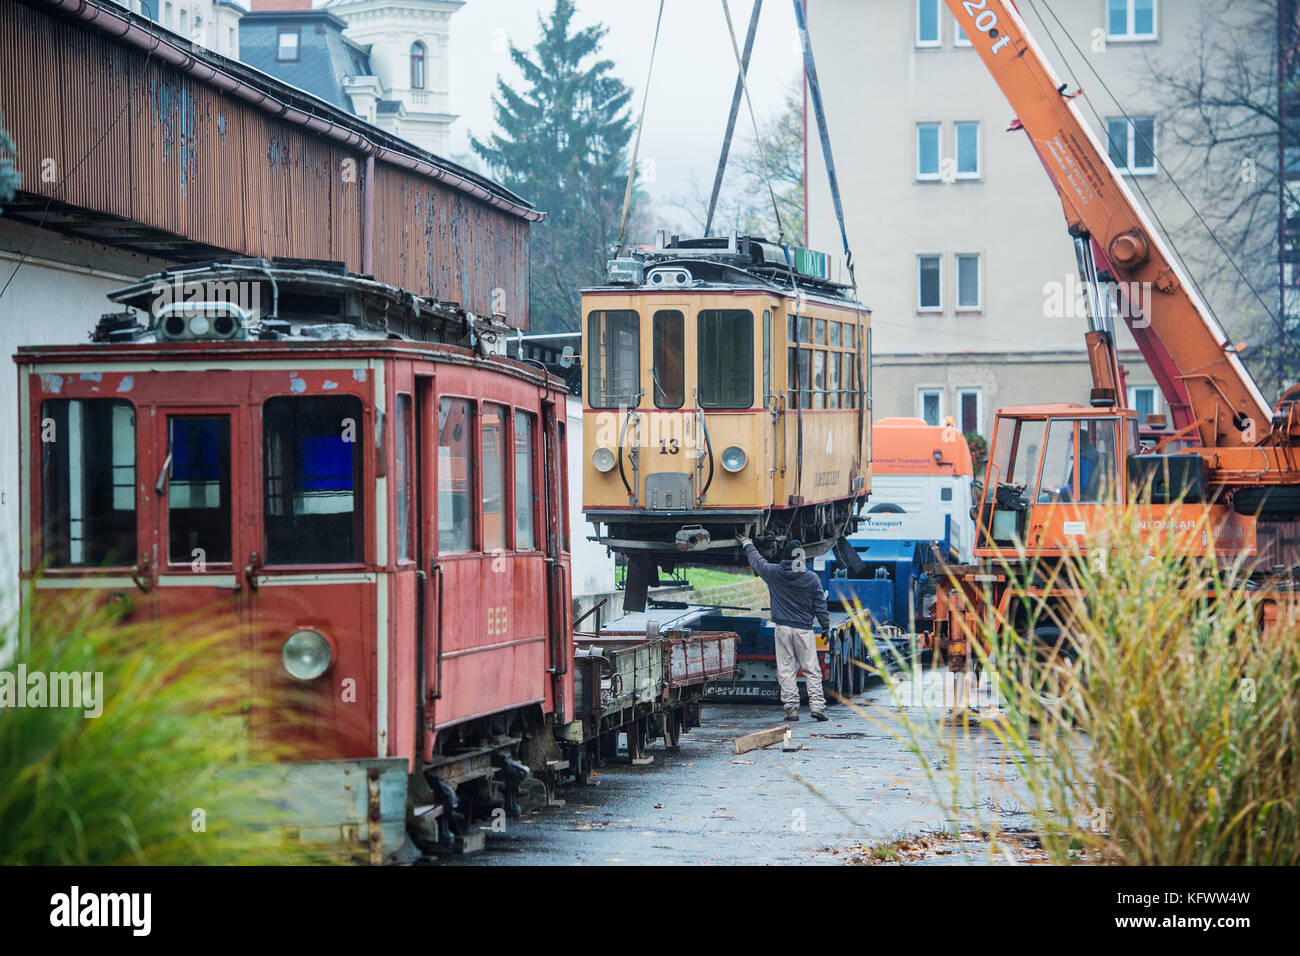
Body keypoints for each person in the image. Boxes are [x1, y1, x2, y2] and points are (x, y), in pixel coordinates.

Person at [736, 535, 831, 721]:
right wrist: (826, 627)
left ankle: (791, 709)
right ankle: (818, 707)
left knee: (786, 670)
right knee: (811, 669)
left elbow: (757, 562)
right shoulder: (811, 578)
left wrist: (748, 544)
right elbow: (820, 606)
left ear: (785, 557)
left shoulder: (775, 573)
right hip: (804, 630)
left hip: (783, 629)